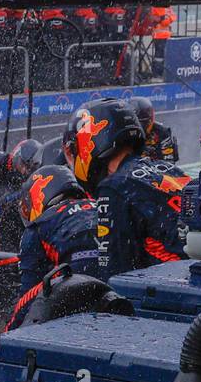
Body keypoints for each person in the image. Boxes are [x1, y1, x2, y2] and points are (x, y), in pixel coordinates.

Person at [62, 98, 188, 279]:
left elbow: (115, 274)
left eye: (73, 150)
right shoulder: (168, 169)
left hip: (177, 287)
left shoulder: (113, 188)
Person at [5, 165, 100, 330]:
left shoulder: (39, 226)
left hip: (79, 290)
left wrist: (9, 334)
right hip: (119, 283)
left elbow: (28, 296)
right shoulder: (101, 205)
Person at [127, 95, 178, 162]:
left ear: (149, 120)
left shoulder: (162, 132)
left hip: (155, 168)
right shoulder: (124, 133)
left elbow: (169, 161)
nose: (138, 127)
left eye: (141, 123)